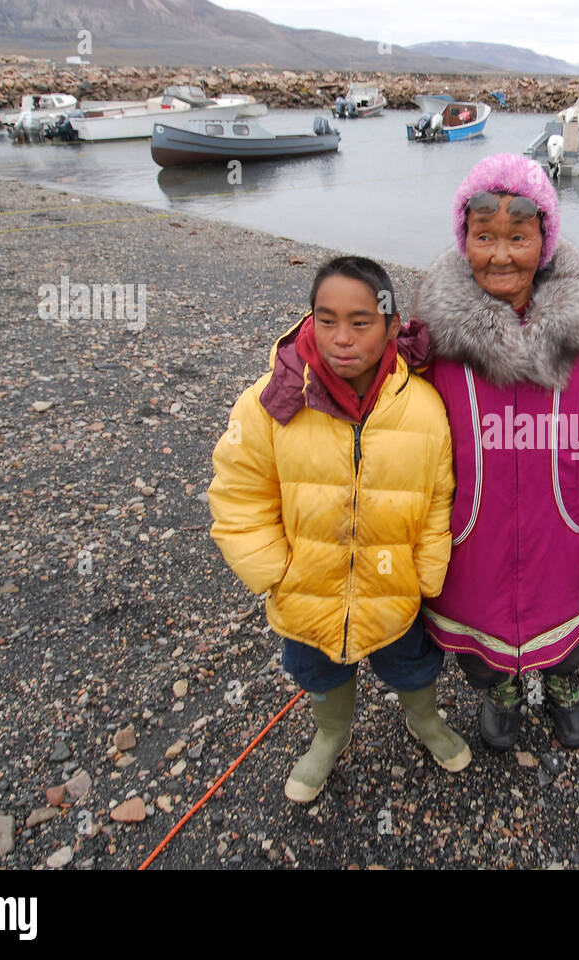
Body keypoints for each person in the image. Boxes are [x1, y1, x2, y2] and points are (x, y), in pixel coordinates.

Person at [208, 256, 470, 803]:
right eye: (326, 320)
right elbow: (239, 493)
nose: (341, 338)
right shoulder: (271, 402)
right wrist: (274, 570)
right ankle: (331, 733)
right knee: (316, 668)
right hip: (307, 590)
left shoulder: (422, 408)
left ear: (393, 327)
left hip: (393, 587)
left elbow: (438, 498)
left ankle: (425, 721)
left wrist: (426, 574)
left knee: (413, 664)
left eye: (361, 321)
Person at [412, 154, 579, 750]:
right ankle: (500, 691)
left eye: (519, 235)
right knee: (480, 636)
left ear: (545, 240)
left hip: (563, 528)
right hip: (471, 531)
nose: (501, 254)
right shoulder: (431, 338)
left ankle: (563, 687)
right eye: (483, 235)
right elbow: (387, 417)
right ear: (464, 238)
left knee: (568, 633)